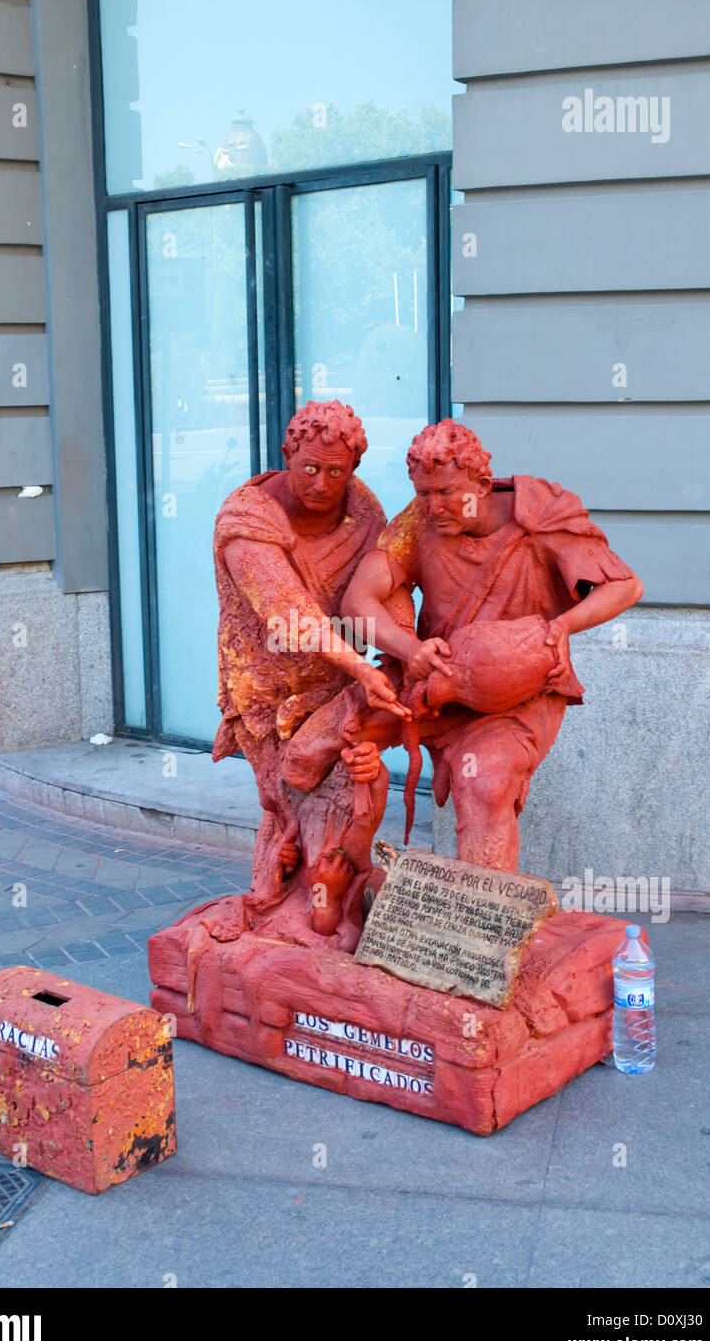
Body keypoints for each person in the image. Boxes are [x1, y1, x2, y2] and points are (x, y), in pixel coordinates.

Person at [322, 418, 643, 871]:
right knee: (317, 746)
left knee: (484, 786)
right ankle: (338, 891)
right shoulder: (418, 524)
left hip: (518, 692)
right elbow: (358, 601)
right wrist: (409, 648)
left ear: (483, 484)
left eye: (447, 493)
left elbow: (625, 586)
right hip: (433, 680)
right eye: (423, 494)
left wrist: (562, 629)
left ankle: (482, 927)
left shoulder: (540, 516)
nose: (433, 508)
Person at [212, 400, 408, 943]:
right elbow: (288, 615)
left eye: (338, 471)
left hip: (336, 688)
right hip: (268, 696)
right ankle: (278, 901)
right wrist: (362, 669)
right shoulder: (246, 519)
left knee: (346, 789)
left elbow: (387, 581)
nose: (323, 483)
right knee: (288, 800)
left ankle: (330, 904)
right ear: (287, 455)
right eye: (311, 468)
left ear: (354, 469)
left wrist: (402, 651)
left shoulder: (362, 511)